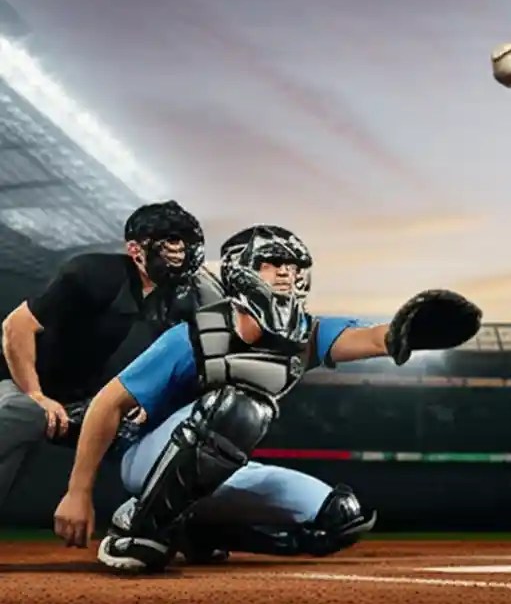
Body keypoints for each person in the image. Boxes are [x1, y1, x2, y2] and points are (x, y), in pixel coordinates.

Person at [51, 224, 482, 573]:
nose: (287, 273)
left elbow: (370, 338)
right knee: (239, 407)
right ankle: (139, 528)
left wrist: (404, 333)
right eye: (273, 262)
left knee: (340, 516)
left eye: (293, 265)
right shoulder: (195, 336)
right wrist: (78, 491)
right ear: (241, 268)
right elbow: (108, 403)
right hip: (148, 459)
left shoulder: (305, 334)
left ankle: (191, 530)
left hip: (222, 466)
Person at [0, 200, 206, 511]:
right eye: (172, 241)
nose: (181, 251)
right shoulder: (93, 273)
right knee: (22, 413)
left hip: (80, 398)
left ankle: (162, 527)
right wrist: (36, 394)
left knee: (164, 438)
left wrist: (149, 403)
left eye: (186, 241)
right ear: (135, 250)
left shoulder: (177, 298)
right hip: (20, 380)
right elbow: (16, 326)